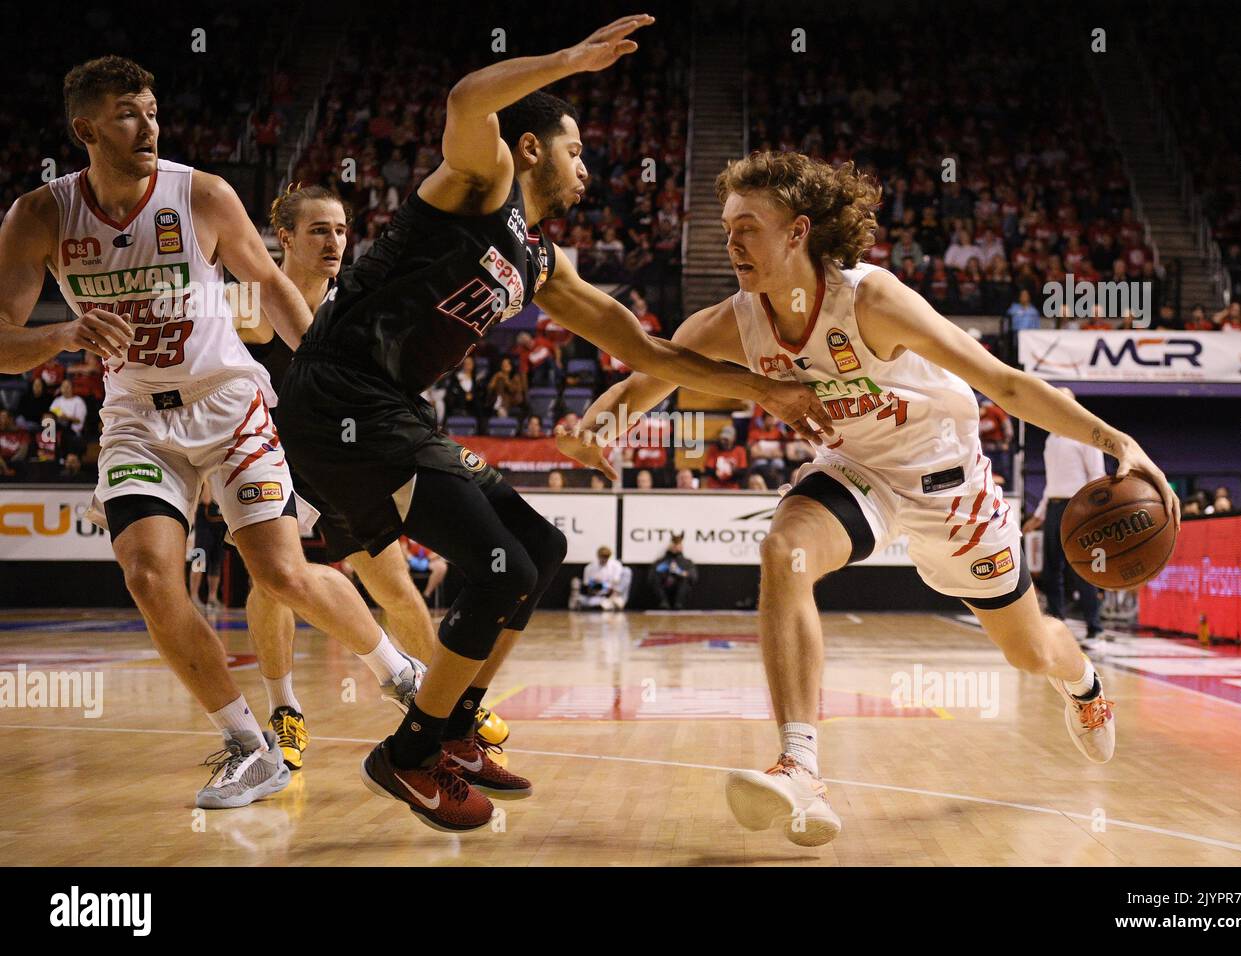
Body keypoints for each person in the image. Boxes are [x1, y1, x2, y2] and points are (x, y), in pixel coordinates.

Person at [272, 17, 836, 833]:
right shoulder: (480, 181)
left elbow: (645, 348)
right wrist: (572, 61)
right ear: (532, 149)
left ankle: (456, 730)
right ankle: (410, 751)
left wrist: (763, 390)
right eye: (575, 150)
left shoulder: (539, 259)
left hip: (386, 413)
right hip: (340, 404)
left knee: (539, 549)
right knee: (500, 566)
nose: (586, 166)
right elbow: (469, 98)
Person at [560, 150, 1177, 847]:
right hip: (857, 473)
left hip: (950, 488)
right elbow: (646, 376)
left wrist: (1116, 437)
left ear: (797, 232)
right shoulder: (733, 322)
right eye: (726, 229)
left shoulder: (871, 300)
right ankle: (801, 765)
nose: (731, 243)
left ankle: (1086, 685)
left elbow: (1003, 383)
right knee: (784, 550)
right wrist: (600, 428)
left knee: (1031, 651)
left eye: (748, 228)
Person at [0, 56, 423, 809]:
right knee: (147, 575)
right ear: (86, 129)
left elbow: (268, 284)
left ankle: (400, 674)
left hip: (227, 403)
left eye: (153, 110)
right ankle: (249, 745)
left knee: (281, 576)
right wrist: (62, 334)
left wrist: (330, 378)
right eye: (129, 113)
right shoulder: (39, 215)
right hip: (136, 418)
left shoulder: (200, 193)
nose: (149, 125)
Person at [234, 182, 489, 773]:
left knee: (394, 585)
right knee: (270, 582)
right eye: (319, 230)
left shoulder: (352, 299)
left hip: (341, 460)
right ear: (286, 237)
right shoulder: (249, 303)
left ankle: (448, 707)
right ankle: (285, 710)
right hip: (271, 459)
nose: (335, 241)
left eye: (342, 230)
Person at [1021, 388, 1106, 642]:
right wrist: (1039, 514)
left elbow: (1097, 477)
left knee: (1081, 569)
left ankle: (1094, 627)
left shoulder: (1086, 435)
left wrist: (1091, 512)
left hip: (1078, 508)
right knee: (1050, 571)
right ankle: (1057, 625)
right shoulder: (1052, 438)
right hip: (1055, 507)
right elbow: (1051, 483)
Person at [189, 481, 225, 612]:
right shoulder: (205, 480)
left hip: (220, 527)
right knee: (199, 561)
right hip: (204, 528)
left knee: (216, 562)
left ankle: (212, 597)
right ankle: (193, 596)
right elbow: (206, 499)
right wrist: (208, 479)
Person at [649, 531, 697, 610]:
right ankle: (664, 602)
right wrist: (663, 569)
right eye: (674, 545)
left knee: (685, 579)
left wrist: (681, 572)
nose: (675, 547)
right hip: (664, 587)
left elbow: (694, 576)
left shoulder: (687, 562)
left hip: (680, 588)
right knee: (656, 576)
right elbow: (651, 577)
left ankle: (678, 603)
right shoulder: (661, 561)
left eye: (678, 545)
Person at [569, 545, 626, 610]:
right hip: (593, 596)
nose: (604, 559)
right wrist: (594, 585)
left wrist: (606, 585)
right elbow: (587, 586)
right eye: (602, 557)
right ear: (598, 556)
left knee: (627, 572)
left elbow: (616, 583)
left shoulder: (616, 566)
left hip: (609, 596)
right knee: (575, 581)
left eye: (606, 557)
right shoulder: (589, 567)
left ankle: (607, 604)